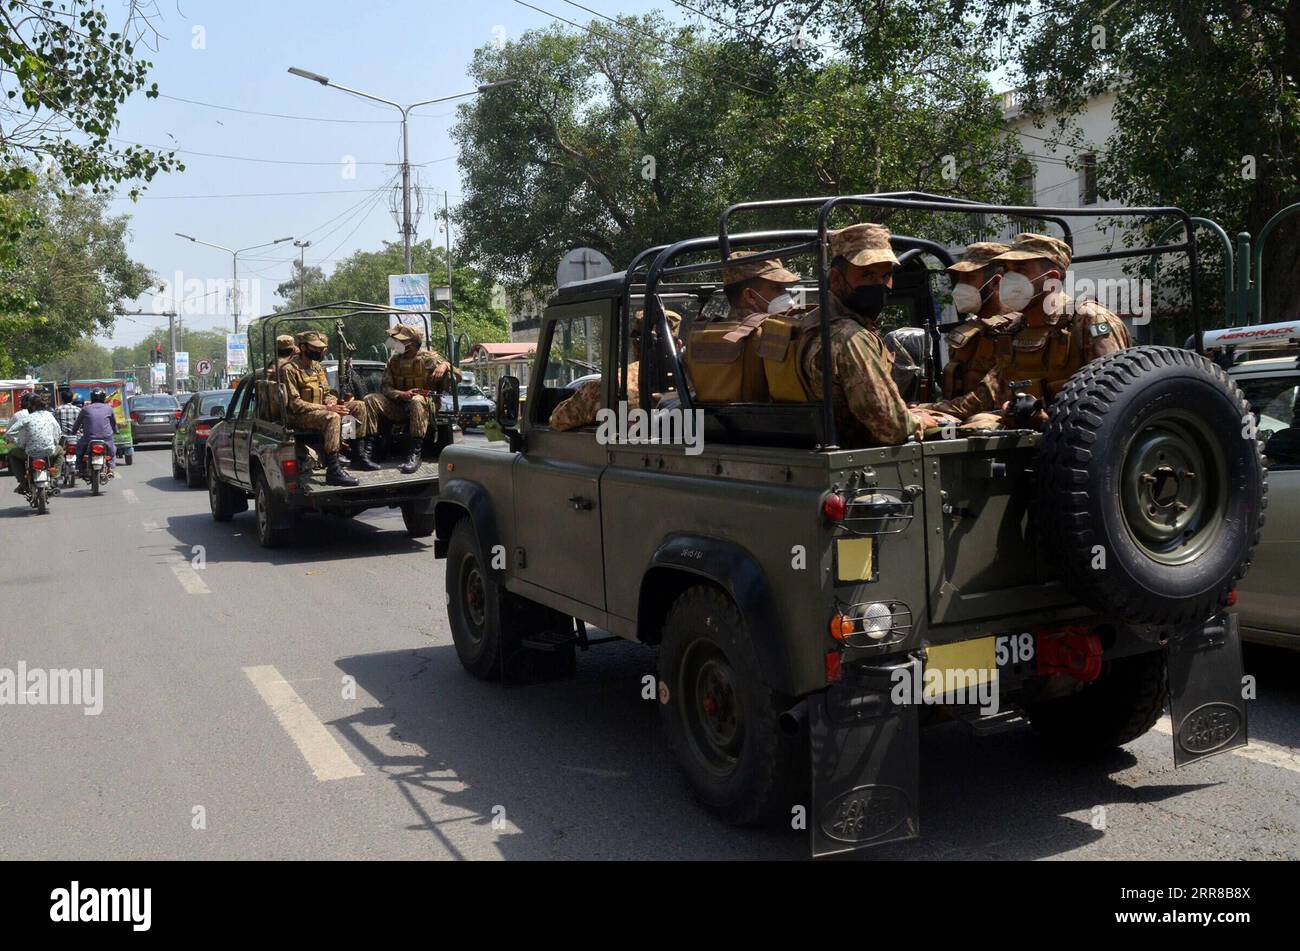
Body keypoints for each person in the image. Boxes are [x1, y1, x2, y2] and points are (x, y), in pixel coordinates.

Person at [929, 232, 1131, 428]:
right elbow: (986, 396)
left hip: (1075, 447)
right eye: (1007, 269)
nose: (1008, 278)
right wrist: (926, 412)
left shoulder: (1089, 321)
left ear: (1051, 279)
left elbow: (1116, 401)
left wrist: (1046, 421)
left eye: (1021, 270)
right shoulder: (1015, 329)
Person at [794, 223, 938, 446]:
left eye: (886, 275)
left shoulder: (812, 323)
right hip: (858, 454)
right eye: (867, 274)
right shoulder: (850, 337)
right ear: (835, 279)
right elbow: (892, 427)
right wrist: (917, 420)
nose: (879, 284)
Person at [549, 309, 683, 431]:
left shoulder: (609, 386)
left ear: (636, 345)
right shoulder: (696, 383)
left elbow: (558, 420)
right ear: (678, 345)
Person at [280, 330, 375, 485]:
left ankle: (357, 454)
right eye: (315, 348)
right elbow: (295, 404)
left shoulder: (317, 367)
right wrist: (328, 409)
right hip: (299, 416)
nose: (318, 352)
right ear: (303, 348)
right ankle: (333, 469)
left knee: (358, 406)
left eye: (320, 349)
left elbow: (327, 392)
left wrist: (331, 402)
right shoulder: (289, 370)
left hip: (322, 410)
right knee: (333, 417)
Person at [363, 324, 456, 474]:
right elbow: (385, 387)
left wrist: (445, 366)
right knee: (370, 399)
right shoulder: (393, 361)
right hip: (400, 406)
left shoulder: (428, 358)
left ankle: (415, 454)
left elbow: (457, 377)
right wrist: (401, 394)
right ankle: (370, 450)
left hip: (425, 407)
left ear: (411, 344)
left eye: (399, 341)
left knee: (417, 400)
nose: (394, 344)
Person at [941, 242, 1018, 400]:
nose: (960, 286)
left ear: (996, 282)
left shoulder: (1016, 328)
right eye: (958, 278)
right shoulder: (968, 330)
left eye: (969, 277)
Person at [7, 393, 65, 493]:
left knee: (12, 453)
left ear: (33, 406)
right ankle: (54, 478)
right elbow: (58, 432)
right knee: (60, 451)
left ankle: (23, 481)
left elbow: (9, 433)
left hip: (29, 453)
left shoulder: (27, 418)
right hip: (49, 451)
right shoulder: (50, 416)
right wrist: (54, 443)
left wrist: (19, 443)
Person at [72, 387, 118, 475]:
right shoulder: (109, 408)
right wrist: (116, 431)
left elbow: (77, 423)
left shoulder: (85, 409)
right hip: (106, 438)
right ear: (103, 397)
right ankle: (110, 468)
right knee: (112, 449)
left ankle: (79, 468)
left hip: (89, 438)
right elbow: (113, 423)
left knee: (78, 449)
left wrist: (73, 432)